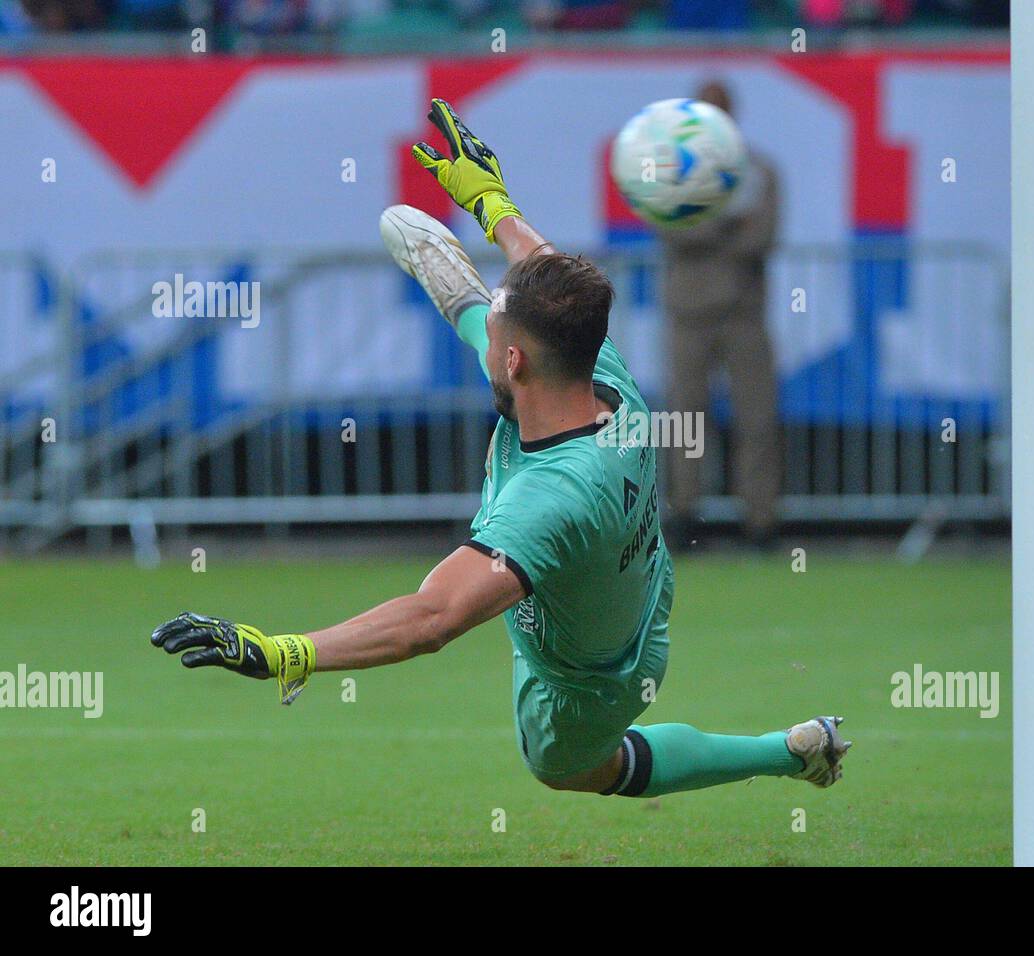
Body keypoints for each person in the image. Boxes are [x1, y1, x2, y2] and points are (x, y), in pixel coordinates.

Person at [148, 99, 850, 798]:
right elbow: (548, 278)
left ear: (513, 360)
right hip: (634, 596)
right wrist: (492, 205)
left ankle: (784, 755)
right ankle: (792, 746)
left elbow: (430, 620)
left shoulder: (552, 500)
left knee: (574, 770)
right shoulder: (599, 370)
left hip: (585, 680)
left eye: (492, 330)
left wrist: (284, 652)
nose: (482, 328)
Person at [657, 81, 781, 551]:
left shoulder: (760, 169)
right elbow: (671, 228)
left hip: (745, 312)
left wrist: (702, 223)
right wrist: (729, 221)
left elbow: (763, 236)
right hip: (689, 314)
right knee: (686, 418)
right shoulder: (673, 172)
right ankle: (685, 513)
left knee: (758, 416)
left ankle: (761, 519)